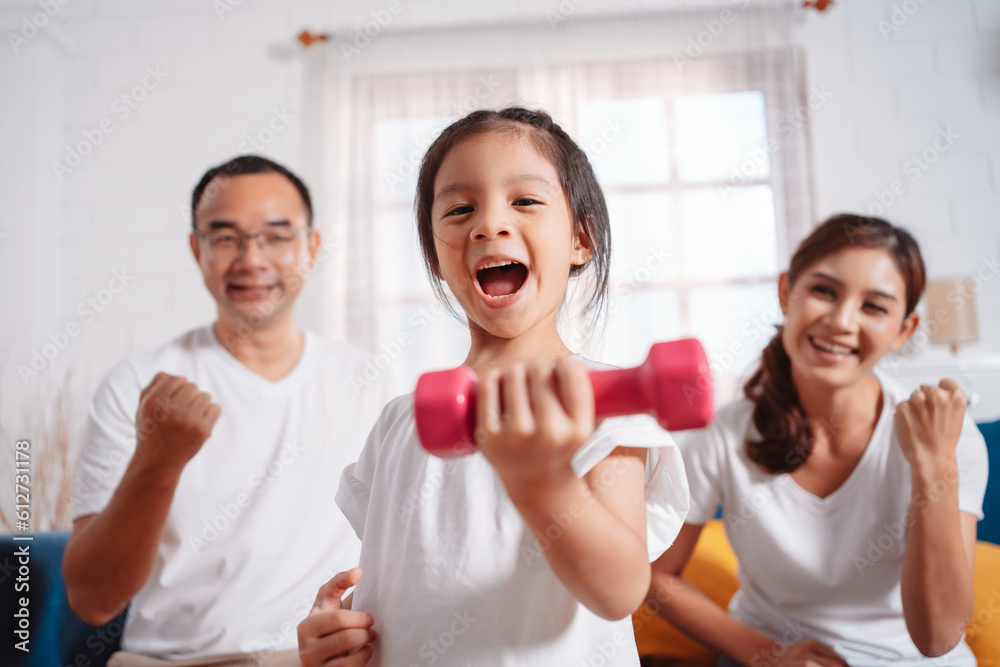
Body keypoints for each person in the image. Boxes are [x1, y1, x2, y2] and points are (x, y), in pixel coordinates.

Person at [296, 108, 691, 666]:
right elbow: (408, 591)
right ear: (436, 257)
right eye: (460, 209)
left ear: (581, 239)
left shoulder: (605, 404)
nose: (489, 225)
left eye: (524, 201)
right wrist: (334, 640)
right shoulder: (399, 422)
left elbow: (619, 590)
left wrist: (540, 481)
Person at [63, 155, 389, 665]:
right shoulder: (137, 386)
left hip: (316, 659)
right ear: (197, 250)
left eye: (276, 236)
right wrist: (159, 460)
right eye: (225, 238)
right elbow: (92, 600)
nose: (251, 259)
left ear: (311, 248)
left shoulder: (372, 383)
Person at [645, 215, 988, 667]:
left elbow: (939, 636)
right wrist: (765, 654)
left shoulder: (950, 438)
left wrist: (932, 465)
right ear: (786, 292)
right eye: (824, 291)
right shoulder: (721, 435)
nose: (841, 321)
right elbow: (655, 576)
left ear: (903, 330)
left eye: (874, 307)